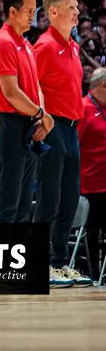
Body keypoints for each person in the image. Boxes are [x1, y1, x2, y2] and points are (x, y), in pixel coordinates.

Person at [33, 0, 92, 286]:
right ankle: (39, 264)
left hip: (71, 129)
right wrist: (41, 120)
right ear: (53, 12)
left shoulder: (71, 45)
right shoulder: (43, 46)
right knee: (49, 198)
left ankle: (58, 263)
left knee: (69, 198)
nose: (77, 12)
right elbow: (32, 87)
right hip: (52, 127)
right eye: (71, 7)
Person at [0, 0, 50, 244]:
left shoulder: (25, 43)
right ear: (12, 12)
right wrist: (40, 113)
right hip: (11, 125)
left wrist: (41, 117)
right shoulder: (3, 42)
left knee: (25, 202)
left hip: (28, 124)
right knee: (9, 201)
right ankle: (1, 266)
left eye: (34, 11)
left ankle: (18, 263)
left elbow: (35, 87)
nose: (32, 17)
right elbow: (11, 93)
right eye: (28, 11)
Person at [78, 69, 106, 283]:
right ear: (100, 86)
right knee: (92, 231)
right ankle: (92, 273)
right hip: (90, 183)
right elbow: (73, 148)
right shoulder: (84, 107)